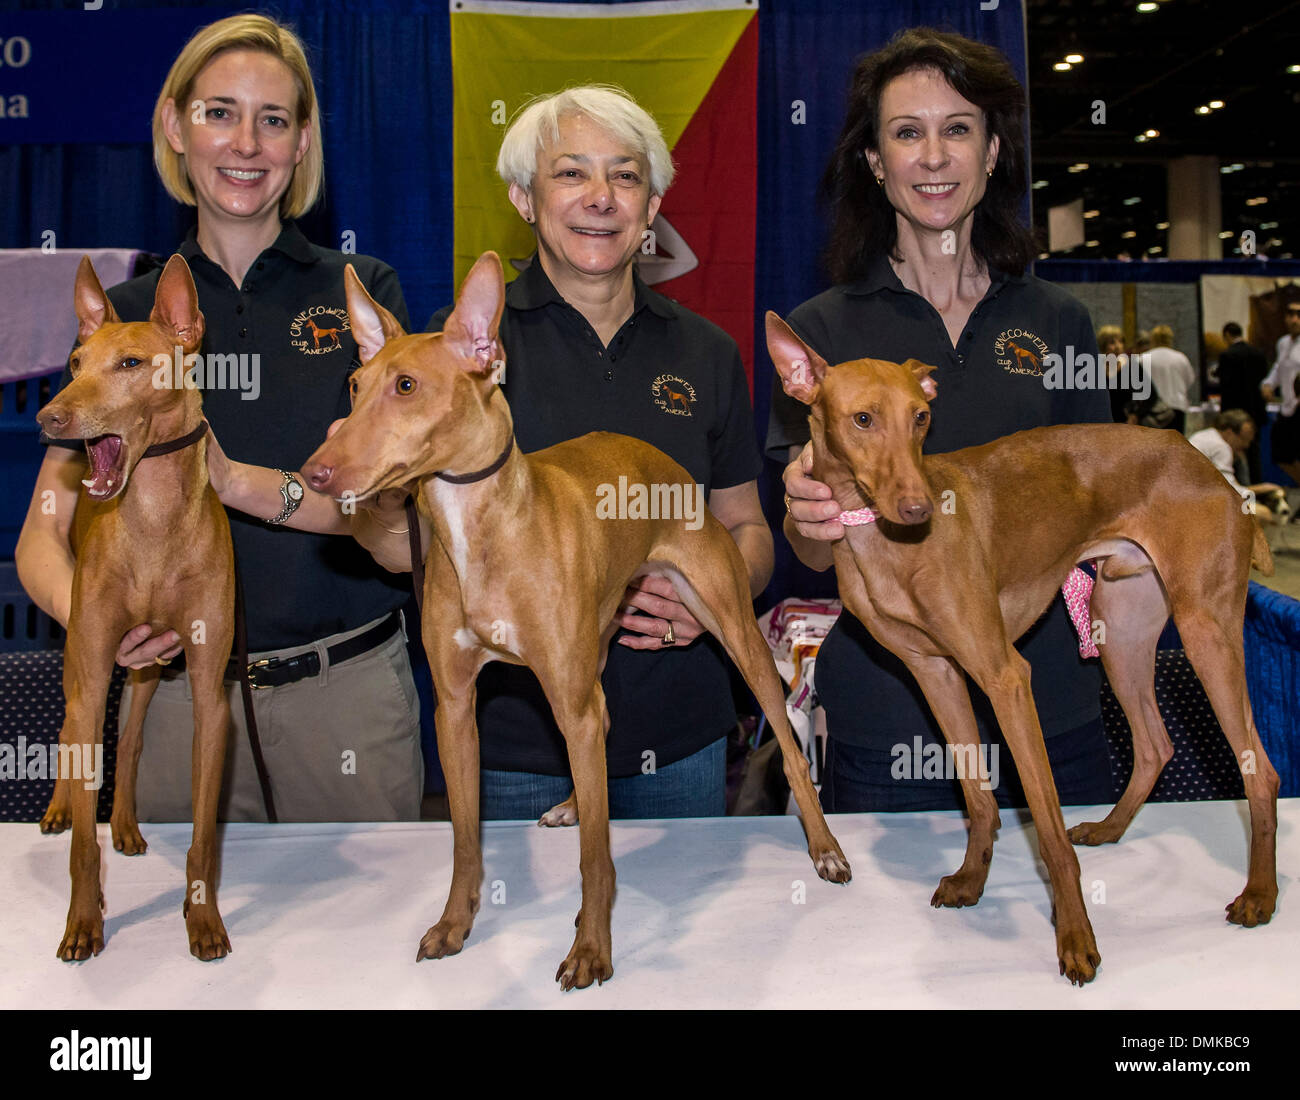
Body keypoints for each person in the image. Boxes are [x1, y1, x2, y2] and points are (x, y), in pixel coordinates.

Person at [16, 14, 423, 823]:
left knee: (357, 949)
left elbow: (397, 532)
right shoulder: (125, 317)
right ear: (174, 124)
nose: (246, 143)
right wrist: (96, 621)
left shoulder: (361, 292)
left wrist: (235, 483)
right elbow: (41, 534)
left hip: (342, 697)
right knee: (169, 943)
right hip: (165, 704)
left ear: (302, 142)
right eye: (219, 112)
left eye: (273, 120)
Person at [387, 86, 766, 820]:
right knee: (525, 934)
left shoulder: (708, 352)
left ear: (652, 207)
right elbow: (415, 544)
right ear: (524, 199)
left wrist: (715, 599)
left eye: (624, 176)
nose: (601, 196)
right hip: (522, 748)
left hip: (682, 736)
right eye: (571, 174)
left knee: (692, 932)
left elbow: (747, 528)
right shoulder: (456, 355)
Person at [768, 27, 1113, 813]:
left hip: (1052, 711)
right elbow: (809, 553)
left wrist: (1132, 577)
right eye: (906, 133)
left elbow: (1099, 504)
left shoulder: (1058, 321)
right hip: (889, 727)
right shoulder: (821, 334)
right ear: (874, 163)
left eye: (958, 129)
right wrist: (807, 517)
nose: (933, 156)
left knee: (1079, 918)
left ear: (991, 154)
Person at [1187, 410, 1287, 522]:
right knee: (1263, 514)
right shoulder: (1221, 447)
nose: (1246, 445)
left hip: (1192, 495)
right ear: (1230, 432)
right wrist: (1262, 488)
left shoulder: (1205, 435)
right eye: (1243, 440)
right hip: (1198, 501)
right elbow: (1230, 489)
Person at [1216, 321, 1270, 483]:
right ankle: (1257, 486)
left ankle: (1235, 486)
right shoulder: (1258, 354)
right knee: (1253, 452)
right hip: (1255, 412)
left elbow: (1225, 386)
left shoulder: (1227, 355)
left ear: (1226, 335)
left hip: (1234, 415)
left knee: (1232, 451)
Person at [1262, 302, 1300, 487]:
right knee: (1281, 454)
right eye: (1291, 314)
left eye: (1299, 315)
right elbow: (1279, 367)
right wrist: (1268, 384)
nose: (1295, 320)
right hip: (1287, 407)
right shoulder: (1283, 343)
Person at [1145, 324, 1196, 433]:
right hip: (1177, 406)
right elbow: (1190, 380)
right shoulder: (1181, 358)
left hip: (1153, 411)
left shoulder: (1144, 358)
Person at [1096, 324, 1130, 423]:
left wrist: (1135, 414)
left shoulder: (1131, 366)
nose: (1118, 346)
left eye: (1120, 341)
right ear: (1103, 345)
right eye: (1112, 342)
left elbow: (1151, 397)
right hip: (1101, 423)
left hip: (1126, 424)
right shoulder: (1095, 369)